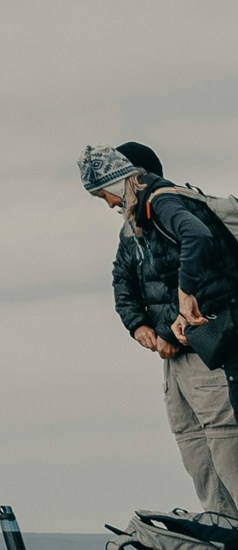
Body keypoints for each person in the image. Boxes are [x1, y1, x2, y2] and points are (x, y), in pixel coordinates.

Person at [84, 140, 238, 515]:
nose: (108, 203)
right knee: (192, 441)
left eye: (105, 193)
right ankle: (223, 534)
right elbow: (122, 278)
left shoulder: (166, 204)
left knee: (223, 439)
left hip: (209, 348)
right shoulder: (135, 226)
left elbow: (204, 255)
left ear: (127, 179)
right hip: (177, 355)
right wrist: (137, 325)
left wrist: (171, 327)